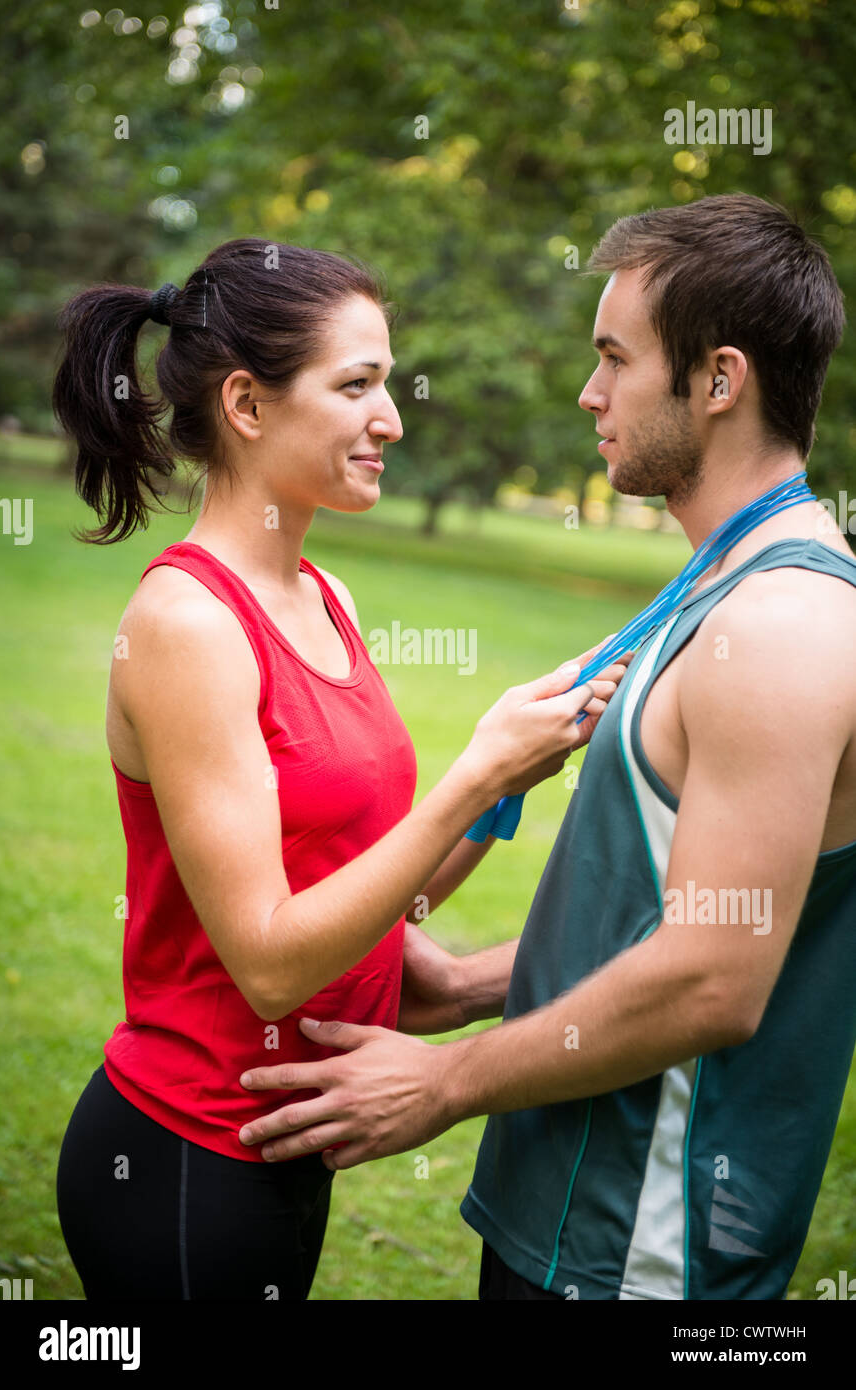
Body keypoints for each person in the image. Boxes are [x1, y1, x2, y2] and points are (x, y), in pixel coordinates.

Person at [236, 195, 856, 1302]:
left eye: (615, 358)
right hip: (567, 1221)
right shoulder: (712, 583)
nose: (590, 393)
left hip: (646, 1253)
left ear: (719, 381)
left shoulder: (783, 626)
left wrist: (445, 1084)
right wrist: (473, 982)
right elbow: (669, 909)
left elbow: (714, 979)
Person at [51, 237, 628, 1301]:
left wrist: (518, 772)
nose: (392, 417)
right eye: (356, 383)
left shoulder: (327, 599)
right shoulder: (187, 624)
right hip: (187, 1156)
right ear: (248, 404)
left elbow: (370, 894)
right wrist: (472, 774)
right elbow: (271, 962)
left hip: (288, 1148)